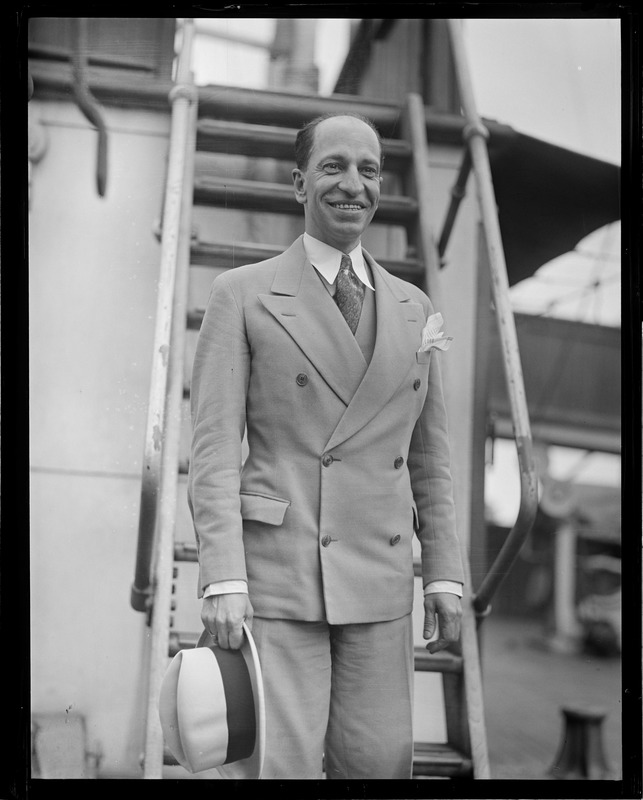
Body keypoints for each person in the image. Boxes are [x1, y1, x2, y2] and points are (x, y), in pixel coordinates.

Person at [187, 112, 464, 780]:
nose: (353, 184)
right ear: (298, 183)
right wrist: (222, 576)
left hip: (380, 572)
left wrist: (447, 573)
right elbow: (215, 447)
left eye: (368, 170)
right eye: (333, 167)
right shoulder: (242, 294)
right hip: (279, 571)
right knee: (273, 769)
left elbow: (429, 457)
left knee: (376, 765)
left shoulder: (411, 308)